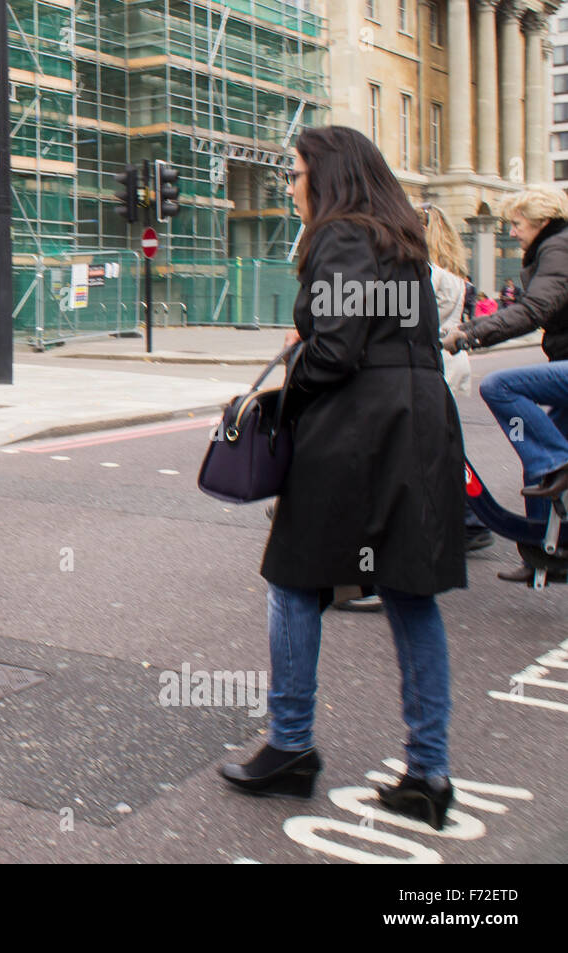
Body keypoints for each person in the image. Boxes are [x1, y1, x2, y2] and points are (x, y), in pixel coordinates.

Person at [221, 126, 465, 832]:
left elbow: (338, 350)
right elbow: (376, 331)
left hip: (359, 434)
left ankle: (291, 746)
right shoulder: (401, 238)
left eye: (295, 175)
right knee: (410, 592)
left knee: (294, 580)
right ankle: (428, 771)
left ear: (327, 178)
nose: (290, 187)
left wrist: (279, 404)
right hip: (415, 426)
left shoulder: (342, 237)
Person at [443, 186, 568, 583]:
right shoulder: (554, 247)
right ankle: (545, 554)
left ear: (542, 222)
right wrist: (470, 326)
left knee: (500, 387)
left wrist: (470, 336)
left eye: (517, 223)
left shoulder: (558, 248)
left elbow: (534, 310)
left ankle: (556, 462)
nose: (512, 232)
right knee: (539, 464)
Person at [419, 202, 491, 551]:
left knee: (435, 446)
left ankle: (470, 519)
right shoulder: (456, 275)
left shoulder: (427, 273)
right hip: (453, 360)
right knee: (440, 443)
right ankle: (467, 519)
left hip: (433, 361)